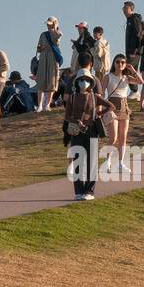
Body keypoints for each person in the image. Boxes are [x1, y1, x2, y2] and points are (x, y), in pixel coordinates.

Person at [62, 73, 109, 201]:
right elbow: (67, 117)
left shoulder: (94, 97)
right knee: (78, 161)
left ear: (90, 83)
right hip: (76, 131)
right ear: (77, 82)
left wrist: (98, 114)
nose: (84, 82)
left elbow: (111, 106)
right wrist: (77, 121)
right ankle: (78, 191)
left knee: (91, 162)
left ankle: (89, 191)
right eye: (81, 80)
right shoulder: (72, 97)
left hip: (92, 130)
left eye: (87, 80)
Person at [101, 55, 143, 173]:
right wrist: (102, 108)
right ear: (114, 63)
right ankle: (107, 161)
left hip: (124, 107)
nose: (120, 64)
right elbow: (101, 92)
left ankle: (120, 163)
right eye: (118, 62)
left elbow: (141, 81)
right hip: (112, 106)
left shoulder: (126, 77)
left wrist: (133, 70)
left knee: (123, 137)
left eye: (123, 62)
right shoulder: (108, 77)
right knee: (113, 137)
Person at [33, 17, 64, 112]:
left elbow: (58, 37)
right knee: (41, 82)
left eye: (50, 23)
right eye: (47, 24)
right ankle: (40, 106)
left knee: (52, 81)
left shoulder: (57, 33)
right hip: (43, 57)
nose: (48, 25)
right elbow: (38, 47)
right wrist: (40, 47)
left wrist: (54, 28)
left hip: (53, 57)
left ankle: (47, 105)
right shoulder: (43, 34)